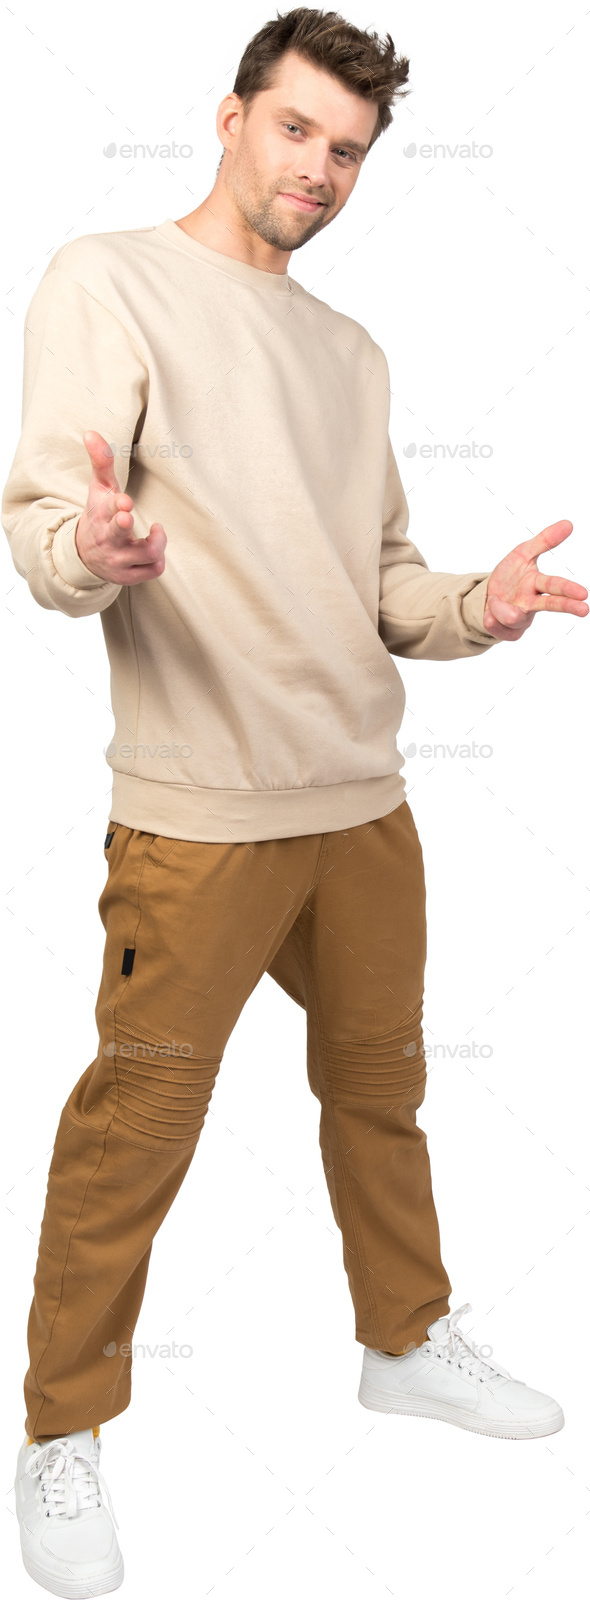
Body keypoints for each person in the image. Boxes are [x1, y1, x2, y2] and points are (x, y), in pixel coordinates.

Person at [3, 8, 587, 1597]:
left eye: (346, 149)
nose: (318, 170)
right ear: (229, 115)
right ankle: (63, 1431)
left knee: (382, 1091)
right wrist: (96, 555)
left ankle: (401, 1338)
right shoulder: (105, 276)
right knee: (134, 1128)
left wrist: (482, 601)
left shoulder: (348, 351)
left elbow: (384, 583)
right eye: (295, 131)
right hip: (198, 820)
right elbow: (54, 519)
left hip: (361, 809)